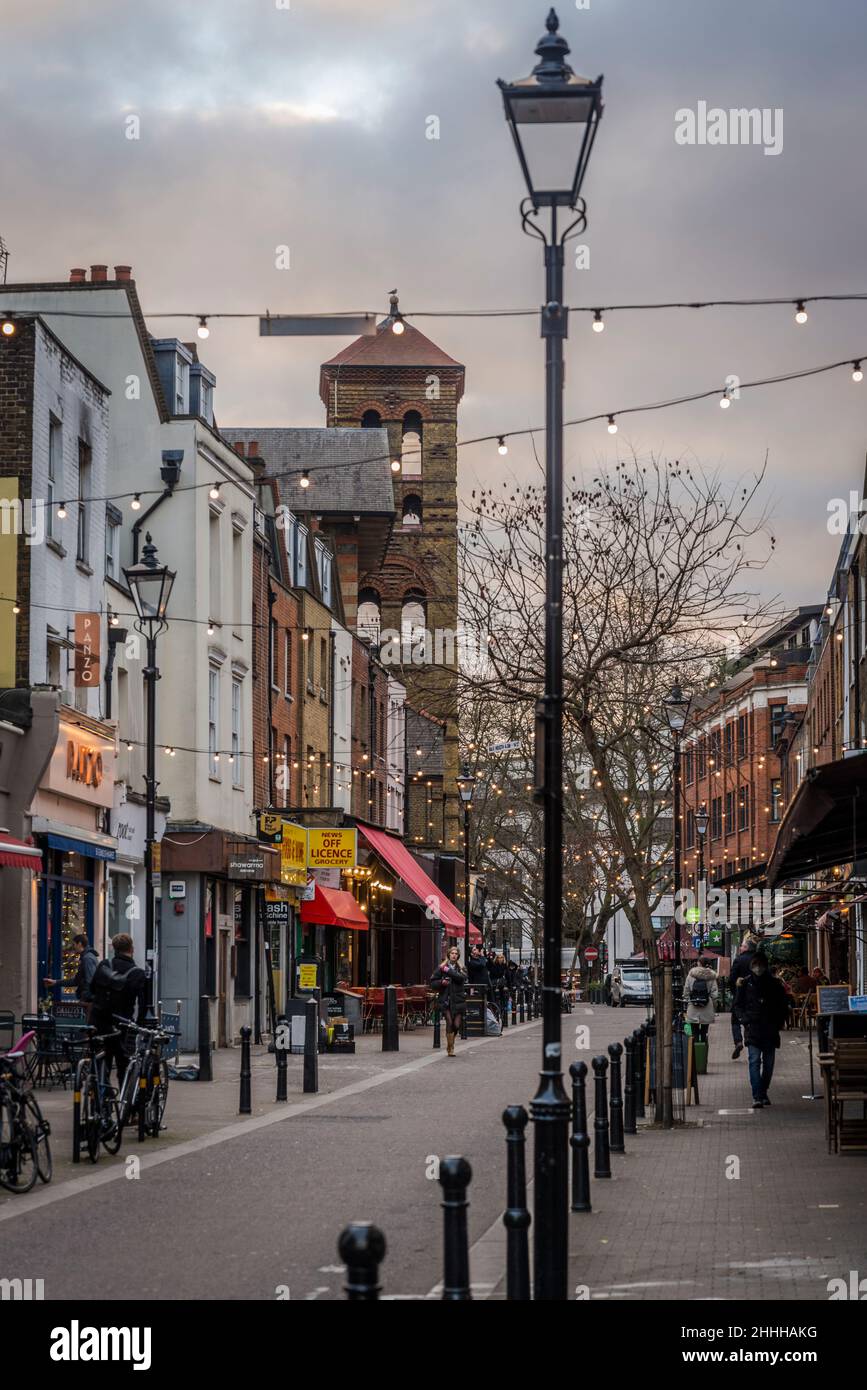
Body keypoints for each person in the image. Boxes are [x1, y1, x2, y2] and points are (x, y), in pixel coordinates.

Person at [733, 950, 789, 1108]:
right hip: (753, 1028)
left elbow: (782, 1006)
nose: (758, 968)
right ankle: (757, 1095)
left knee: (769, 1064)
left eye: (760, 965)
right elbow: (737, 1005)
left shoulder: (774, 984)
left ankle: (762, 1091)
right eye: (755, 965)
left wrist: (778, 1023)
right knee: (754, 1061)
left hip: (770, 1029)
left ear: (765, 966)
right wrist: (745, 1020)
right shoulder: (745, 984)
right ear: (751, 966)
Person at [90, 934, 147, 1083]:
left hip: (99, 1022)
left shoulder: (104, 965)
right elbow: (143, 1004)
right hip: (123, 1025)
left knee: (102, 1062)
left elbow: (91, 989)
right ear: (131, 949)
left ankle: (100, 1097)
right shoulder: (137, 973)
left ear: (114, 948)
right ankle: (123, 1102)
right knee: (124, 1067)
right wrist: (139, 1025)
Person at [43, 932, 98, 1012]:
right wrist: (55, 982)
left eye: (74, 944)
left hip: (88, 1002)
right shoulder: (87, 957)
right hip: (88, 1001)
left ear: (79, 944)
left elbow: (90, 981)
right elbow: (77, 980)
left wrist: (84, 999)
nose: (74, 947)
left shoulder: (87, 959)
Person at [429, 946, 467, 1057]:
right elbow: (432, 983)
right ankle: (450, 1047)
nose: (454, 955)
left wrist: (448, 971)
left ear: (458, 956)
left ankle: (451, 1042)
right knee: (449, 1022)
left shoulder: (461, 968)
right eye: (452, 953)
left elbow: (461, 978)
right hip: (446, 1000)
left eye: (456, 953)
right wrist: (442, 982)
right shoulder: (441, 968)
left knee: (456, 1025)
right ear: (448, 955)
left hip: (458, 1000)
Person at [727, 933, 760, 1059]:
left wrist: (735, 992)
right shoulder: (758, 960)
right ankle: (749, 1039)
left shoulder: (739, 960)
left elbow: (731, 979)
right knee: (750, 1019)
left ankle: (738, 1041)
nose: (740, 948)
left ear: (746, 948)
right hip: (755, 996)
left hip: (740, 996)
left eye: (742, 946)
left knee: (735, 1020)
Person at [683, 957, 718, 1043]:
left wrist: (687, 1000)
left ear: (699, 963)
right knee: (704, 1032)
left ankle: (694, 1053)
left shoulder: (691, 974)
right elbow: (714, 994)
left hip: (693, 1006)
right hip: (707, 1007)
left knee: (694, 1032)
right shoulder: (711, 976)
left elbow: (686, 990)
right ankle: (703, 1053)